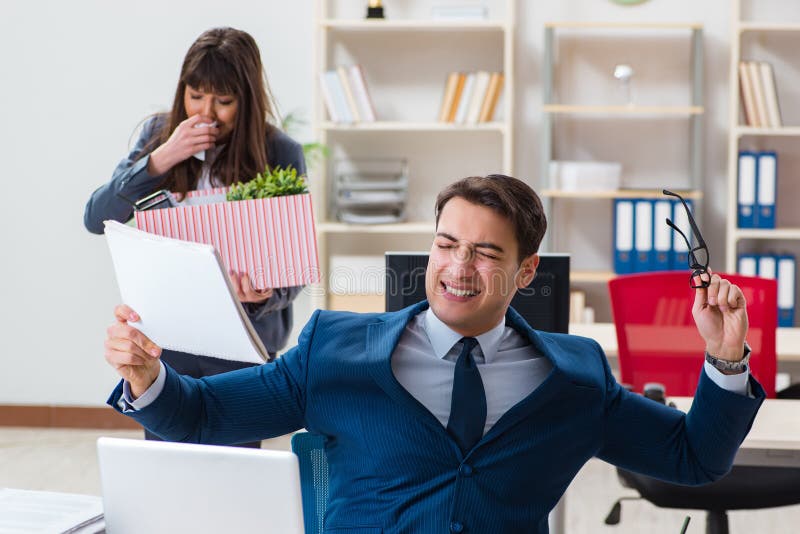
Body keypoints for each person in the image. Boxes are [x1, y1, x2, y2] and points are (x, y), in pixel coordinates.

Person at [105, 175, 763, 532]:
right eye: (447, 244)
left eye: (485, 251)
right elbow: (201, 415)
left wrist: (726, 359)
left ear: (527, 271)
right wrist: (149, 375)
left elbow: (693, 457)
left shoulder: (575, 379)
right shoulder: (335, 349)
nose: (458, 266)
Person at [87, 27, 306, 447]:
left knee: (236, 469)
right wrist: (164, 156)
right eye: (195, 95)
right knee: (169, 464)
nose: (206, 112)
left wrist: (266, 293)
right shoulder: (158, 134)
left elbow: (293, 271)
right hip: (168, 335)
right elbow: (96, 217)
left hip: (241, 342)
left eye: (224, 101)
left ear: (247, 99)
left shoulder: (279, 150)